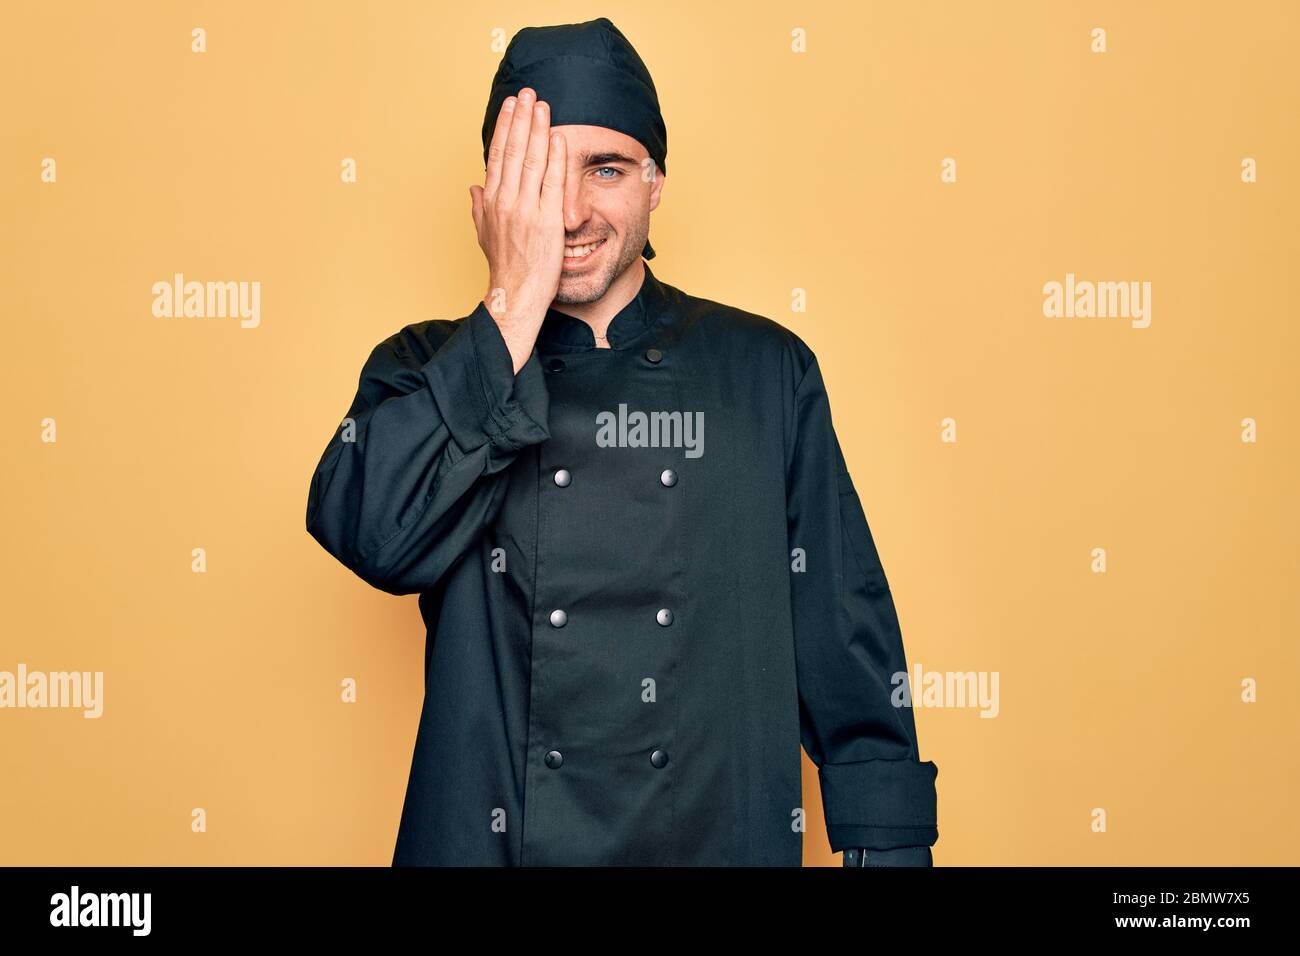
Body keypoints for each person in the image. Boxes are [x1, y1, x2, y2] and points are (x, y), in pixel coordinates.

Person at [306, 16, 938, 866]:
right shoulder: (425, 368)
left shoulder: (765, 374)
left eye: (604, 169)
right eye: (535, 177)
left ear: (656, 183)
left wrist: (887, 846)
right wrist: (510, 309)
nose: (568, 213)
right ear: (493, 199)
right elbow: (373, 536)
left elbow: (844, 638)